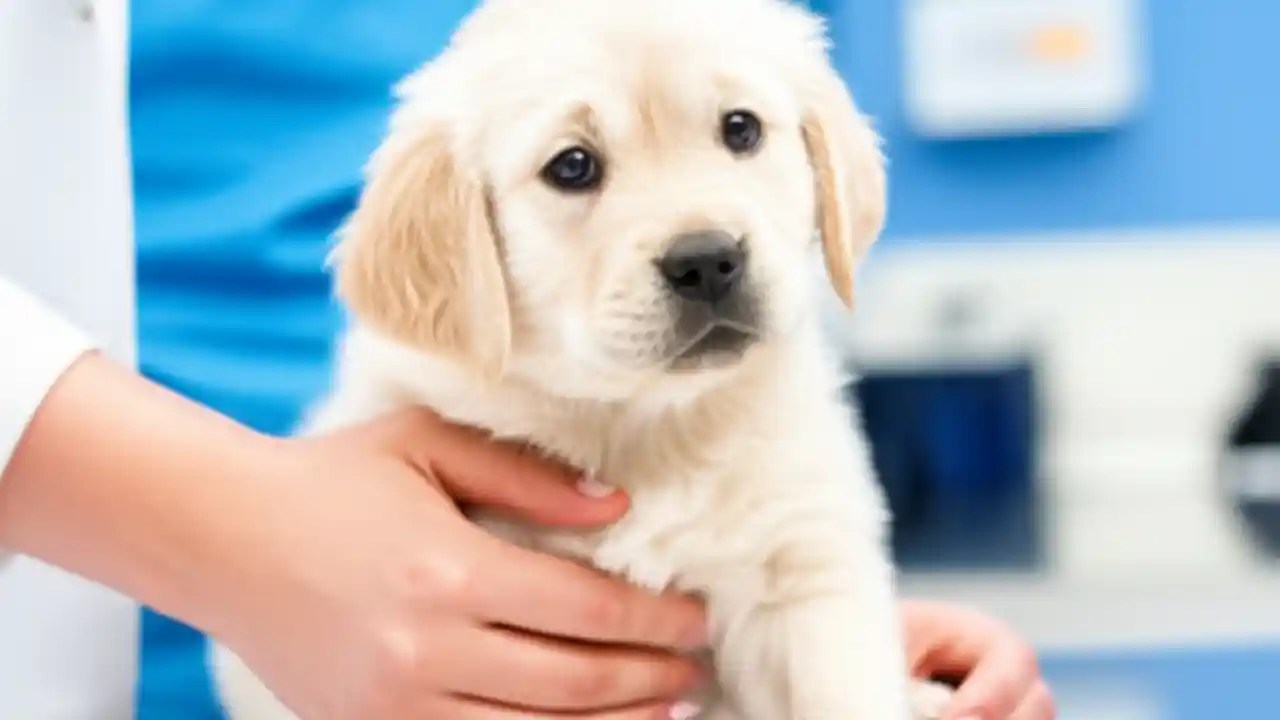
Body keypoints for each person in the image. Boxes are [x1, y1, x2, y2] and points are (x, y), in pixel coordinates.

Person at [0, 1, 1053, 718]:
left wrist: (806, 656)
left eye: (736, 129)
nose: (700, 236)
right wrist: (239, 543)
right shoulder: (445, 173)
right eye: (575, 166)